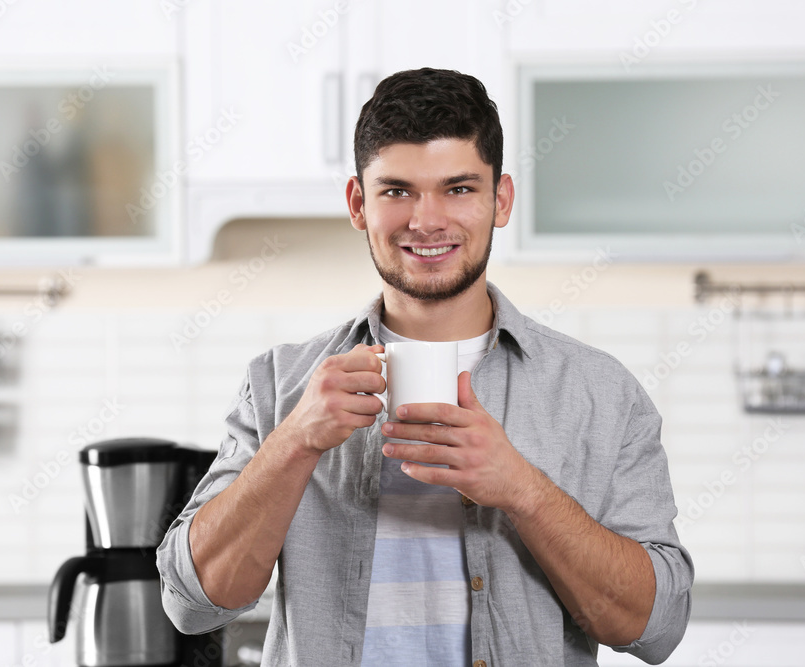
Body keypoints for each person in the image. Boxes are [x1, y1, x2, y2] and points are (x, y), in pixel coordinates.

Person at [157, 67, 693, 666]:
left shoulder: (600, 392)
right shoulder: (280, 384)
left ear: (501, 200)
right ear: (358, 204)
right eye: (397, 191)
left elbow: (656, 628)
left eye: (458, 188)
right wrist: (295, 442)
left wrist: (522, 489)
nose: (427, 220)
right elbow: (192, 605)